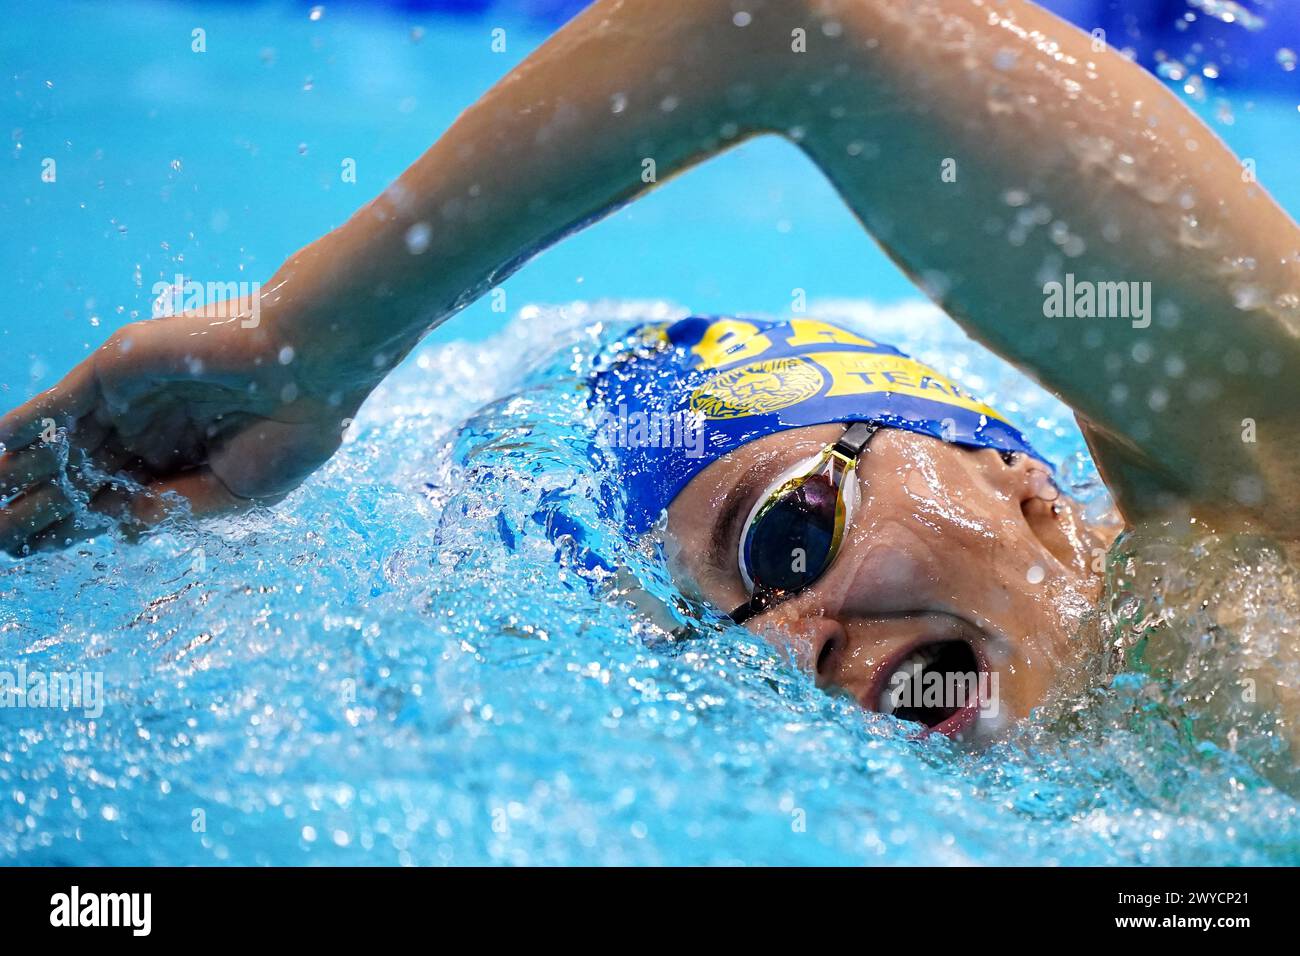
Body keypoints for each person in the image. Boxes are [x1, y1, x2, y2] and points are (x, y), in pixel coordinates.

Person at [2, 0, 1297, 740]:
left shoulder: (1254, 543)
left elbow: (803, 25)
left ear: (1024, 489)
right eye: (720, 636)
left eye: (791, 537)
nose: (797, 644)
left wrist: (320, 336)